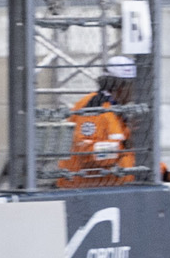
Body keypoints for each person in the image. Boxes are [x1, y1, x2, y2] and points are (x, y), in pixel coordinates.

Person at [57, 61, 138, 189]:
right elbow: (87, 153)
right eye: (133, 85)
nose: (136, 91)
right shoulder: (94, 106)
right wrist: (125, 145)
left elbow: (131, 157)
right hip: (83, 189)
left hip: (112, 188)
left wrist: (166, 174)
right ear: (119, 86)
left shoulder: (117, 111)